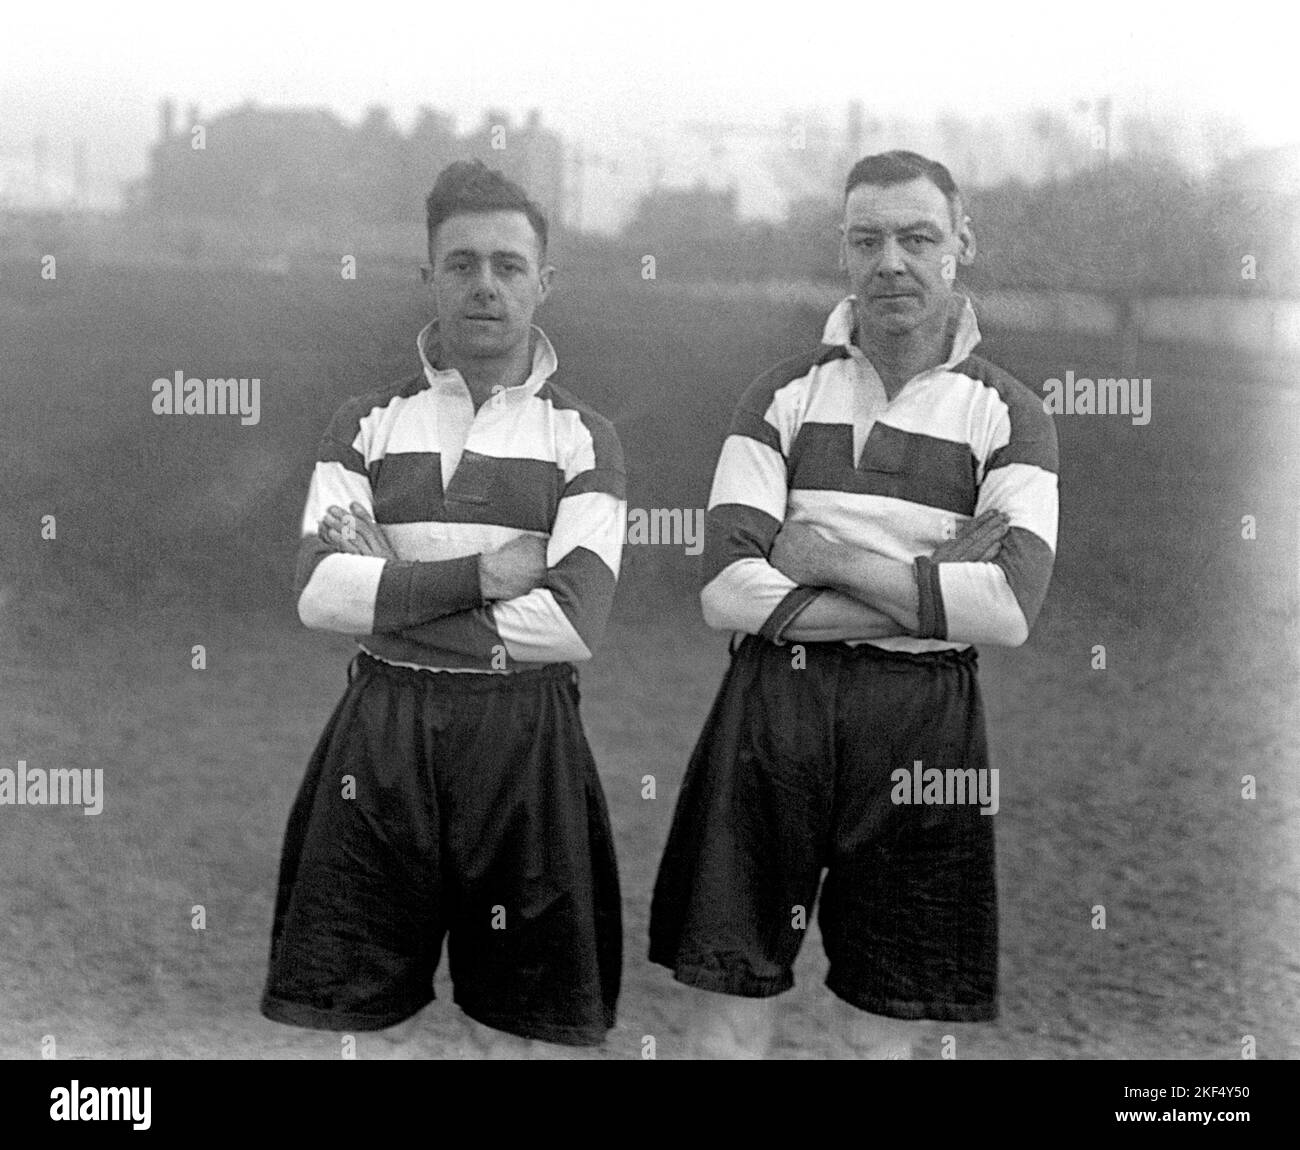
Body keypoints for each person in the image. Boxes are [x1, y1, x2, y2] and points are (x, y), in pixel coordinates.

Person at [649, 150, 1060, 1059]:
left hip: (923, 724)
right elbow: (725, 589)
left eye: (918, 238)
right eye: (867, 239)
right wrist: (926, 590)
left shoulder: (1012, 415)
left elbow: (1004, 609)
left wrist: (825, 558)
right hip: (774, 706)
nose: (891, 262)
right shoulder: (782, 395)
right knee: (727, 995)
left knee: (883, 1020)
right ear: (843, 250)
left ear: (961, 244)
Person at [260, 160, 626, 1054]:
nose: (485, 285)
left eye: (508, 264)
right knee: (355, 1017)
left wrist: (392, 588)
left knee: (523, 1023)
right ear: (429, 275)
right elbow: (317, 594)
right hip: (380, 729)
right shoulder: (366, 421)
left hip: (525, 736)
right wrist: (481, 577)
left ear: (545, 281)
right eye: (460, 263)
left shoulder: (583, 438)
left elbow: (572, 624)